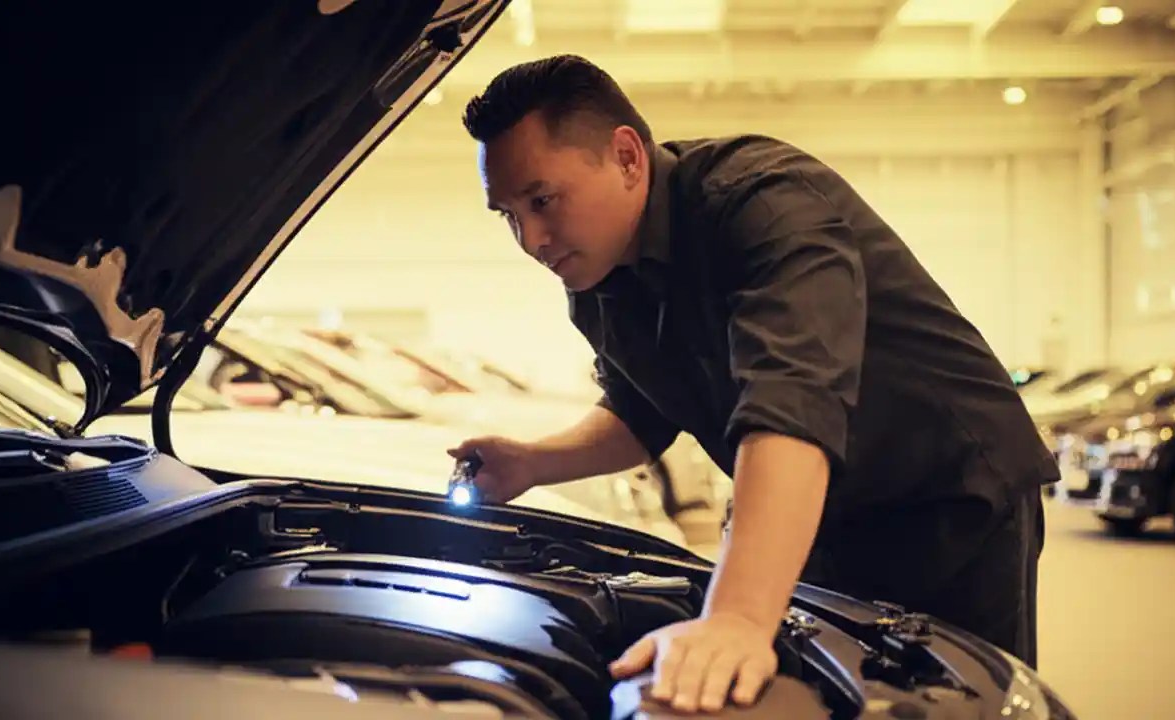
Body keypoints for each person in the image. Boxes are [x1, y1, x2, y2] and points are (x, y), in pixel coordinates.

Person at [448, 55, 1055, 715]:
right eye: (506, 214)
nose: (530, 238)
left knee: (956, 702)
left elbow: (792, 398)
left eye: (542, 201)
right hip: (823, 512)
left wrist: (736, 616)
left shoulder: (764, 202)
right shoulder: (597, 286)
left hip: (948, 498)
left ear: (626, 157)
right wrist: (533, 463)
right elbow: (640, 413)